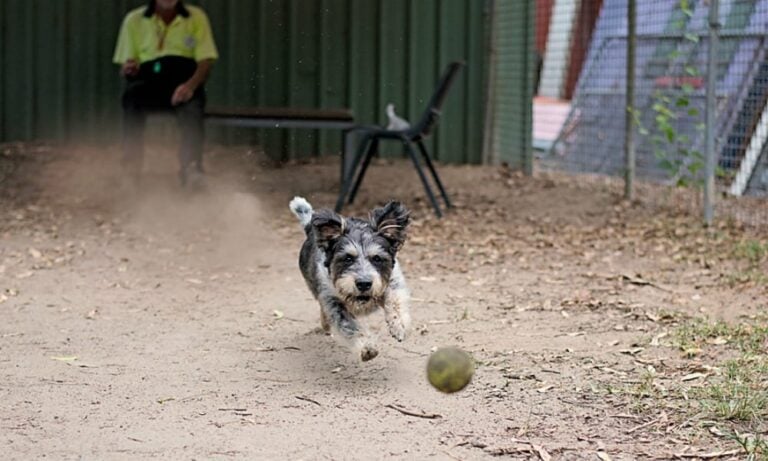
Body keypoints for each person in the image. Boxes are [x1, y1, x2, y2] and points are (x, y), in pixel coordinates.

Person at [113, 0, 218, 187]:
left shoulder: (196, 18)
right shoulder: (134, 20)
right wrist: (128, 69)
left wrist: (190, 86)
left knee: (193, 108)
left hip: (183, 82)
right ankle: (131, 169)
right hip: (149, 81)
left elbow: (206, 60)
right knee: (131, 98)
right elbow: (126, 64)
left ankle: (191, 169)